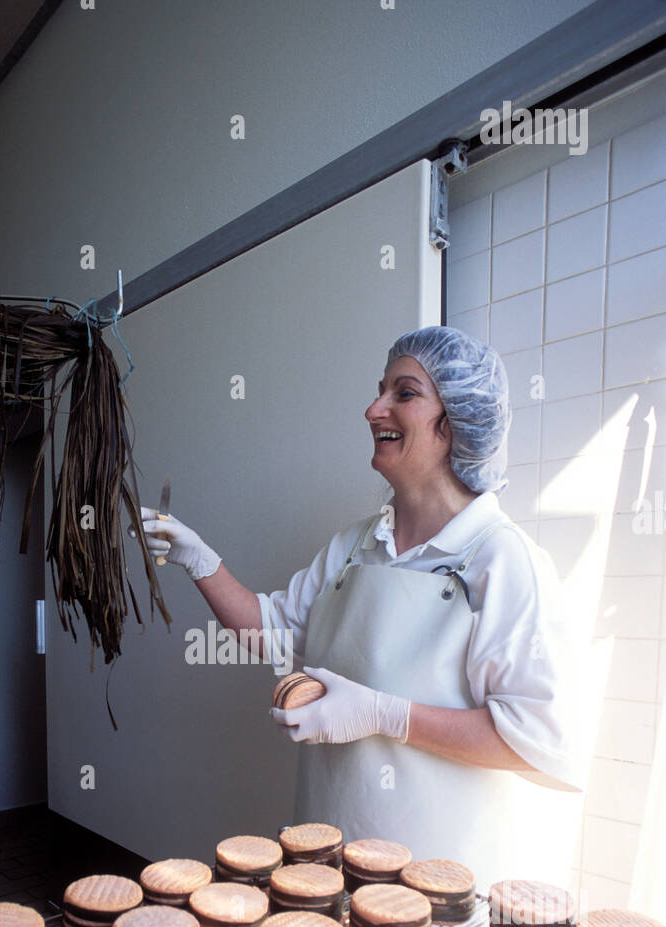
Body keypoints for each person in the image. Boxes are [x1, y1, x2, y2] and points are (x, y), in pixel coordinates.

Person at [139, 326, 582, 889]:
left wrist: (386, 715)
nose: (374, 409)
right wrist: (199, 559)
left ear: (456, 424)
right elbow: (273, 631)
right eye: (380, 390)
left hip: (436, 889)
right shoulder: (354, 546)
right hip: (326, 867)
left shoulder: (503, 560)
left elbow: (537, 741)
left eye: (404, 392)